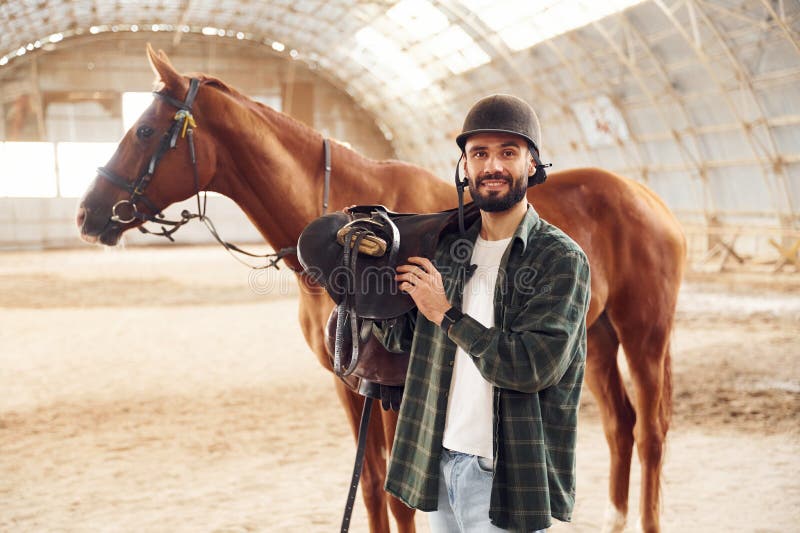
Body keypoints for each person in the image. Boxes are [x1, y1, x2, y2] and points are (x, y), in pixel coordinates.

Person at [374, 94, 591, 532]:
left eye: (508, 152)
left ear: (532, 164)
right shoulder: (448, 249)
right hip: (439, 463)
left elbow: (533, 366)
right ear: (465, 167)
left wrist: (448, 314)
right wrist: (364, 286)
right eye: (480, 154)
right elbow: (402, 339)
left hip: (503, 476)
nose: (493, 166)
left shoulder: (559, 259)